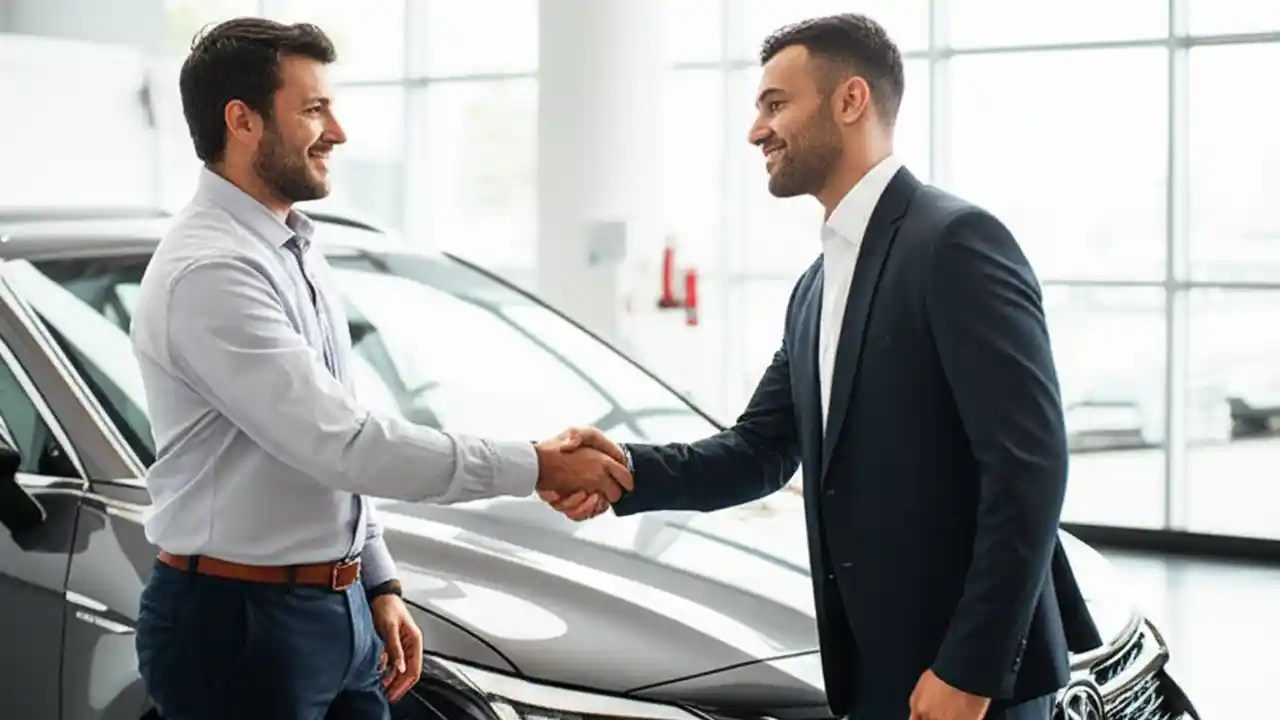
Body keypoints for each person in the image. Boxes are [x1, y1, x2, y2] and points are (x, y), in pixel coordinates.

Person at [543, 13, 1070, 720]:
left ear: (850, 101)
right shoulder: (816, 285)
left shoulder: (956, 242)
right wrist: (622, 471)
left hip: (963, 685)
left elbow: (1029, 466)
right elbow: (757, 451)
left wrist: (969, 673)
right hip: (875, 671)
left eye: (774, 104)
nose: (757, 130)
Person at [130, 17, 630, 720]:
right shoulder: (211, 271)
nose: (338, 130)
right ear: (240, 121)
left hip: (334, 613)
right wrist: (537, 466)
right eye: (312, 108)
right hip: (239, 623)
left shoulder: (292, 247)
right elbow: (344, 444)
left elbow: (335, 443)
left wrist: (375, 582)